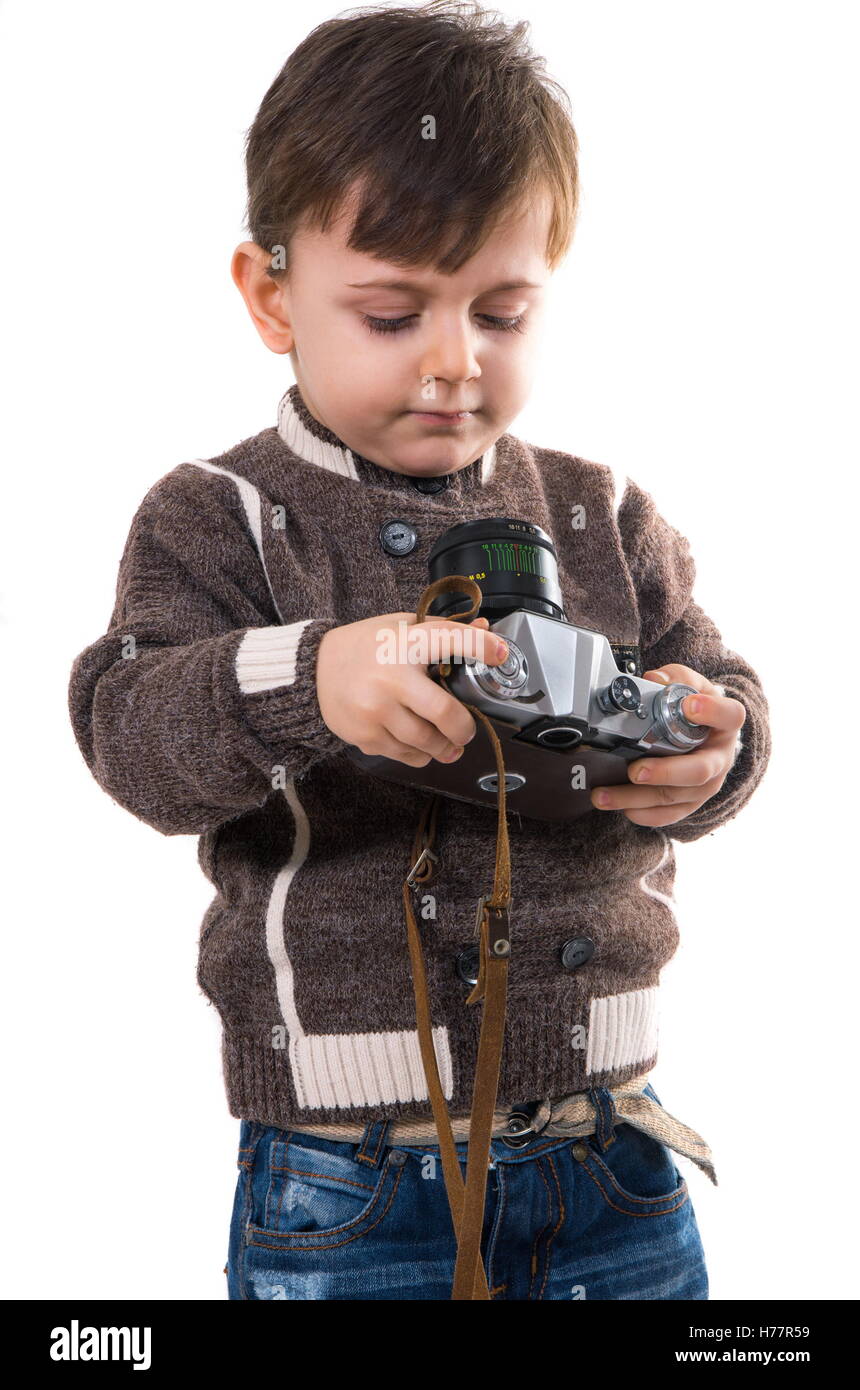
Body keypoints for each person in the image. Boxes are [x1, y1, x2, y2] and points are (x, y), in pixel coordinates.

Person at [68, 1, 770, 1300]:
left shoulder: (599, 508)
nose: (456, 362)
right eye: (393, 314)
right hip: (350, 1173)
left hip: (617, 1152)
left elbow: (723, 690)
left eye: (503, 313)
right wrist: (311, 676)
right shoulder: (220, 515)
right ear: (270, 293)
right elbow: (129, 731)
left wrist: (708, 747)